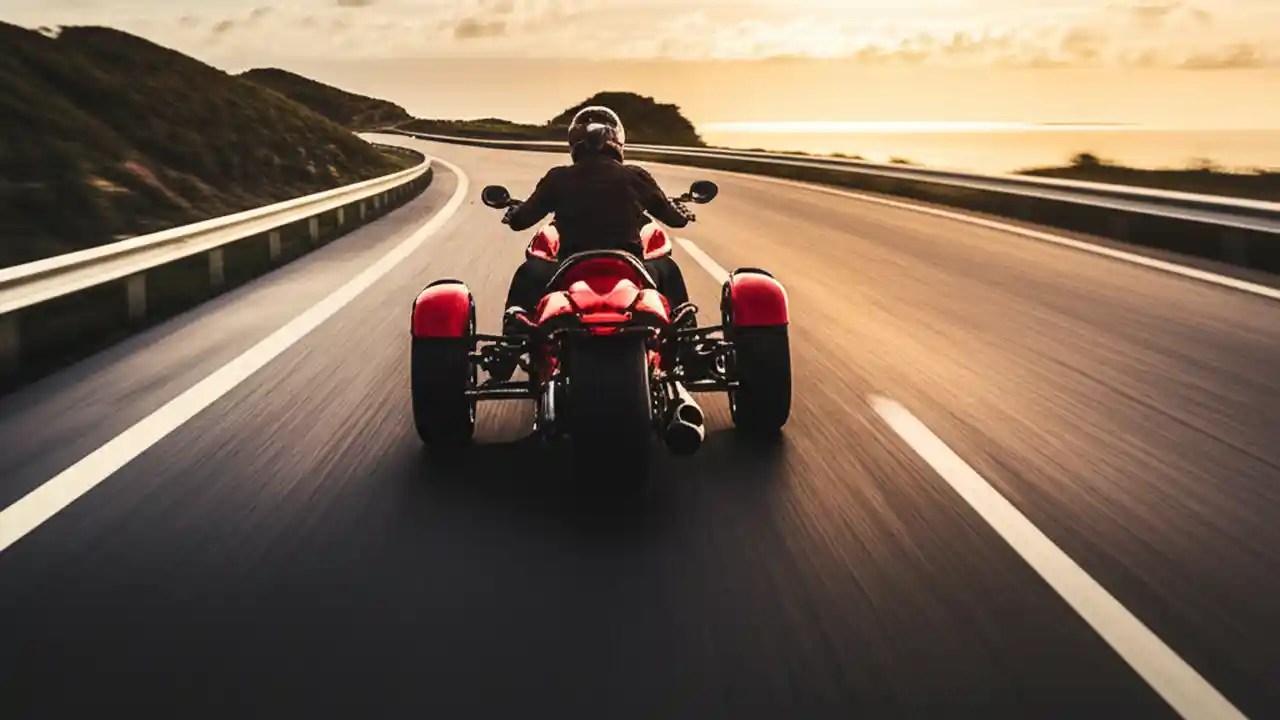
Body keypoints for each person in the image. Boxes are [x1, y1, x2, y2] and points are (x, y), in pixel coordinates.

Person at [500, 106, 695, 329]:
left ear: (575, 141)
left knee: (528, 272)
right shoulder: (635, 176)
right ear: (617, 140)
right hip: (628, 264)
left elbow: (520, 221)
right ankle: (686, 332)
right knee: (668, 268)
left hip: (571, 265)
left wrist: (513, 212)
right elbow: (675, 219)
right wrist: (680, 211)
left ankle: (513, 336)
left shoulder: (558, 177)